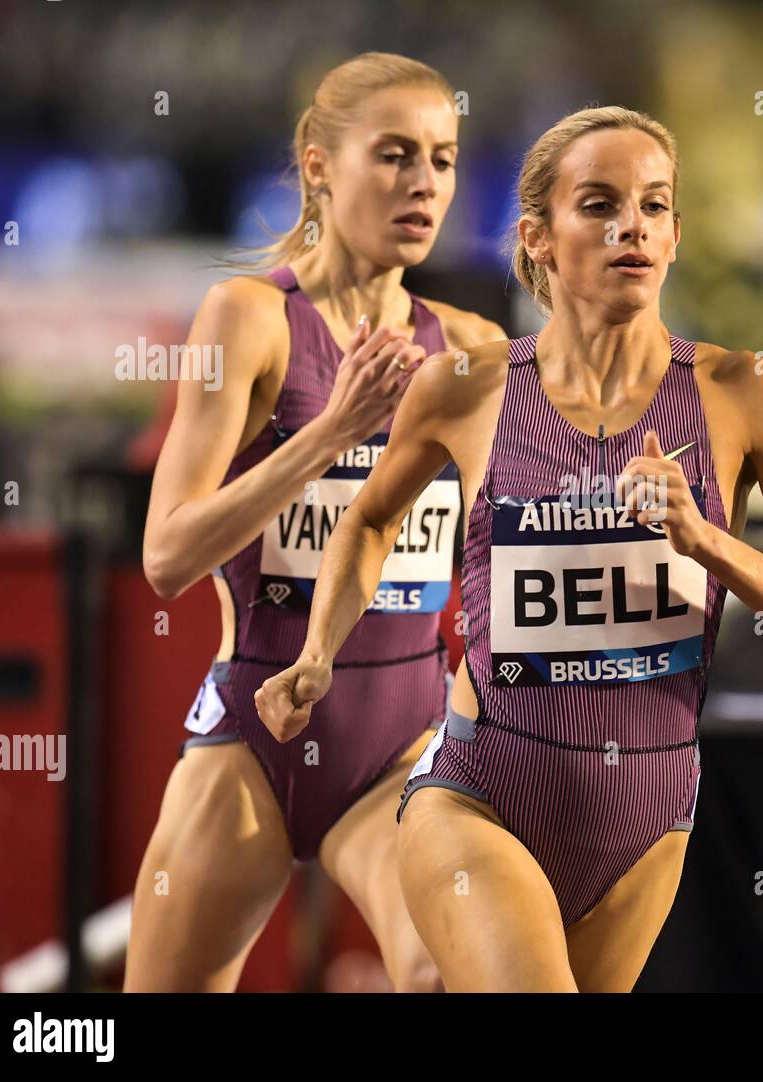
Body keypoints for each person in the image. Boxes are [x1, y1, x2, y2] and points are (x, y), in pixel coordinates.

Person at [255, 105, 763, 992]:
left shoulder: (745, 392)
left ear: (675, 235)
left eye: (654, 206)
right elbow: (369, 520)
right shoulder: (464, 389)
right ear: (538, 238)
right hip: (480, 791)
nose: (632, 226)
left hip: (648, 817)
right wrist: (318, 652)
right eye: (600, 204)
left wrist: (705, 541)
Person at [125, 52, 505, 993]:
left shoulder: (467, 348)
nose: (424, 183)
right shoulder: (247, 319)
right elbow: (168, 556)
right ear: (318, 163)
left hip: (407, 737)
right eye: (394, 154)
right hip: (255, 738)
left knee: (444, 975)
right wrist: (328, 433)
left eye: (444, 159)